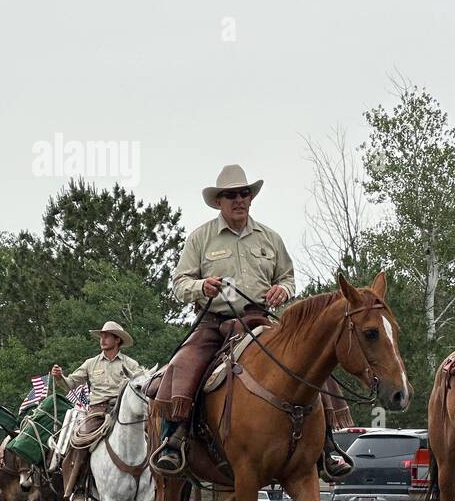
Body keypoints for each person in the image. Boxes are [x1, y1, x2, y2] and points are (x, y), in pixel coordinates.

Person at [150, 164, 353, 479]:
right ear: (219, 201)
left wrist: (282, 291)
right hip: (214, 323)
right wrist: (201, 286)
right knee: (182, 364)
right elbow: (179, 283)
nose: (239, 199)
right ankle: (173, 439)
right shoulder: (200, 238)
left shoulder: (269, 238)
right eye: (231, 195)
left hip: (260, 319)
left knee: (311, 360)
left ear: (250, 197)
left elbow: (287, 277)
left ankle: (326, 445)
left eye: (244, 193)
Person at [50, 320, 144, 501]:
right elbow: (70, 384)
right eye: (101, 335)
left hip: (124, 410)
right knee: (80, 440)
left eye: (107, 335)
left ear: (117, 340)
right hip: (97, 412)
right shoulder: (90, 363)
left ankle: (155, 482)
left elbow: (142, 382)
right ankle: (78, 487)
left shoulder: (131, 364)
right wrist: (60, 377)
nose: (102, 338)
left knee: (151, 434)